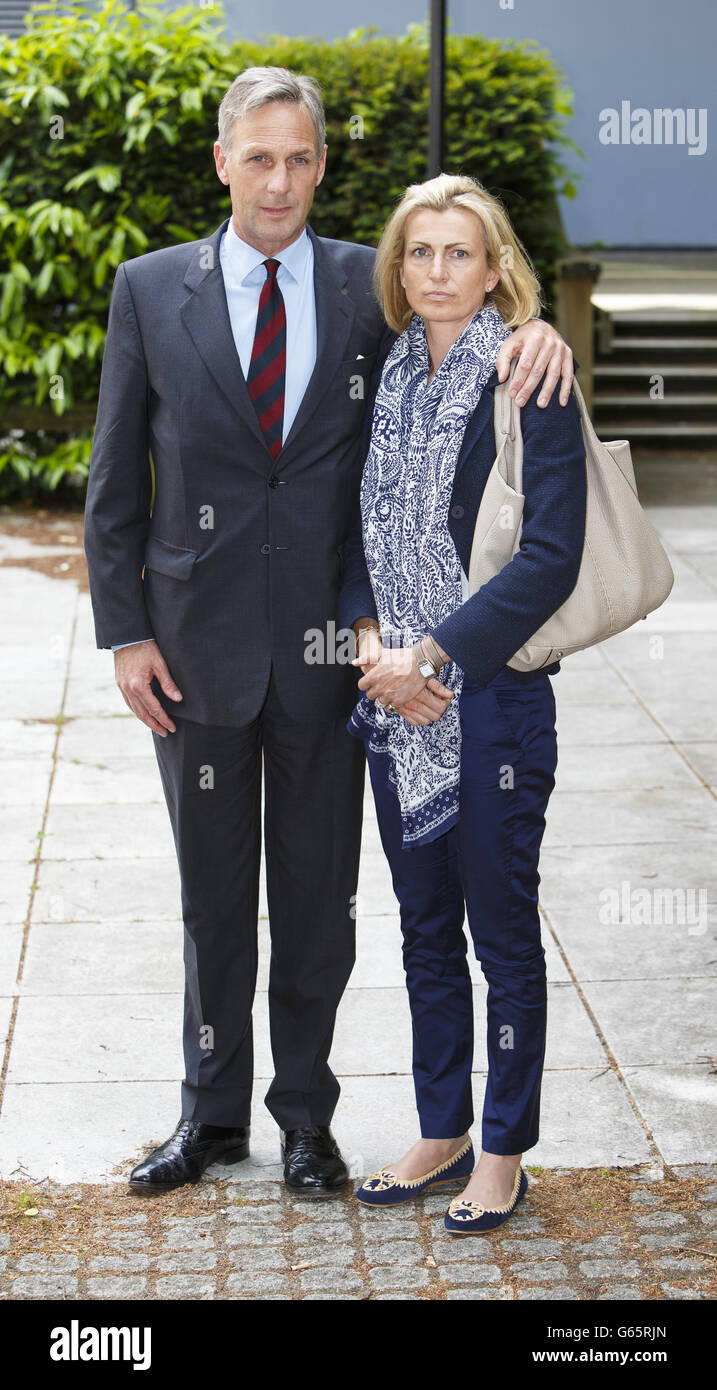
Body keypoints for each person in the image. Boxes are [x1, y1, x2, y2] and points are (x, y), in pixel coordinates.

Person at [83, 68, 575, 1199]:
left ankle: (306, 1118)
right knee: (213, 897)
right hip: (193, 653)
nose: (280, 180)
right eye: (259, 157)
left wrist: (541, 330)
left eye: (301, 158)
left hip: (330, 657)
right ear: (223, 161)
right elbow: (114, 484)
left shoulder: (374, 281)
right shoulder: (151, 290)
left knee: (318, 898)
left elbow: (474, 315)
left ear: (322, 163)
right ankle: (206, 1117)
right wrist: (125, 635)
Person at [341, 173, 586, 1231]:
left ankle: (502, 1148)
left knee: (502, 933)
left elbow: (551, 557)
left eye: (459, 253)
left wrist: (434, 656)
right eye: (419, 252)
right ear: (399, 267)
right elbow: (354, 526)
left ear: (495, 269)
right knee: (424, 929)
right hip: (395, 707)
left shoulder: (528, 375)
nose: (437, 272)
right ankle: (440, 1126)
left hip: (491, 702)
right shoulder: (385, 376)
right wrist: (368, 640)